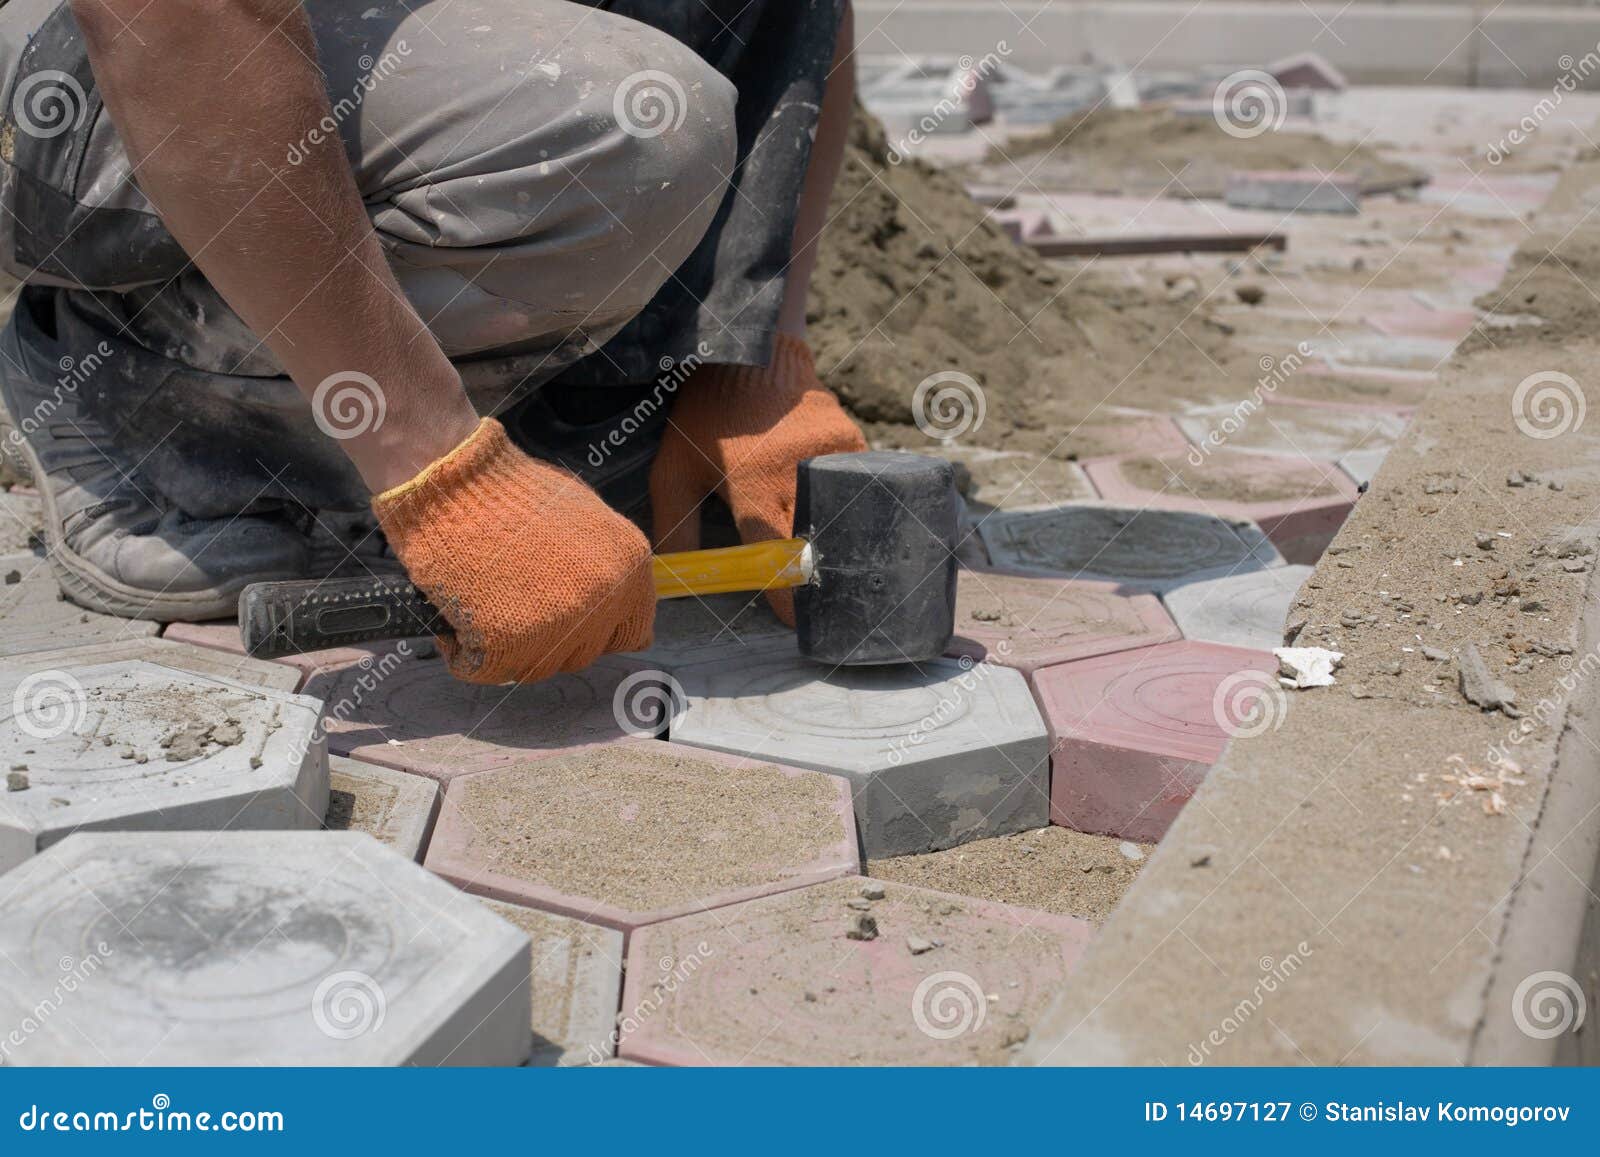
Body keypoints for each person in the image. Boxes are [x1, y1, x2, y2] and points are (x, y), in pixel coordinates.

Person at [0, 0, 868, 683]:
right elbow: (175, 14)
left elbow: (795, 11)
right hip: (128, 66)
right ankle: (147, 410)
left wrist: (746, 360)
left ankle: (462, 427)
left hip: (408, 53)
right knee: (642, 127)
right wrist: (444, 478)